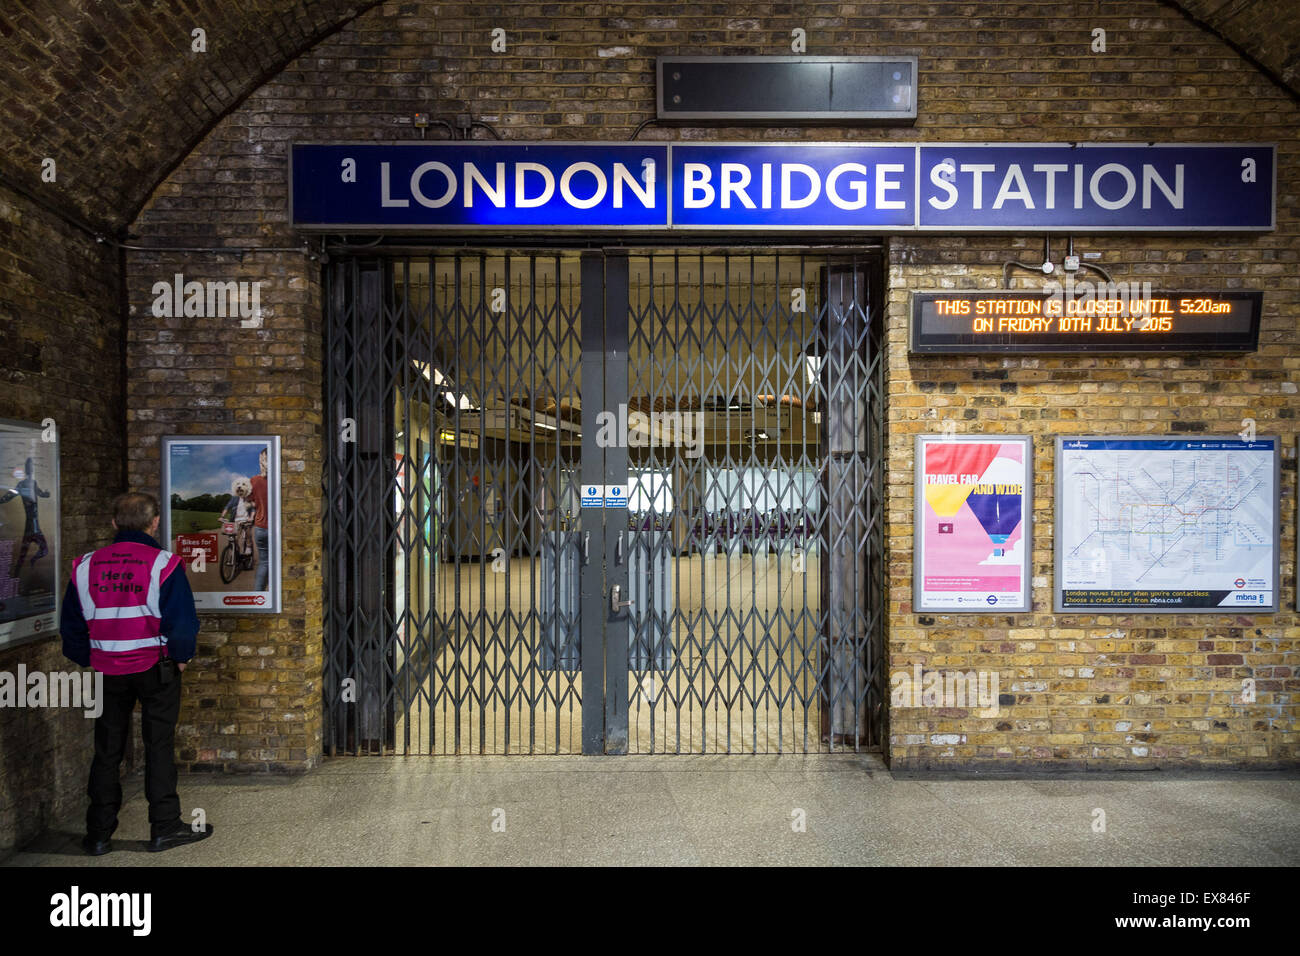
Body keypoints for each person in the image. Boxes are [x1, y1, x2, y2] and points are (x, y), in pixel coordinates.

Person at [60, 491, 214, 855]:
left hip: (106, 670)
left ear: (114, 522)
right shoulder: (164, 564)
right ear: (154, 522)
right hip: (155, 668)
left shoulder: (84, 565)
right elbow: (181, 622)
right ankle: (164, 827)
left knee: (107, 750)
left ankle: (98, 834)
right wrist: (181, 656)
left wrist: (88, 657)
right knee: (158, 745)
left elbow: (71, 626)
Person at [0, 456, 51, 577]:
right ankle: (16, 575)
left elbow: (41, 494)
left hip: (34, 527)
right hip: (31, 527)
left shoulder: (32, 483)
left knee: (39, 552)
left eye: (31, 467)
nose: (30, 469)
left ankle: (27, 566)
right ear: (29, 469)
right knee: (24, 555)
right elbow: (9, 495)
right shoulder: (22, 484)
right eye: (30, 467)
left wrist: (46, 494)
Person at [249, 447, 270, 591]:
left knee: (264, 563)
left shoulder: (254, 481)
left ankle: (259, 596)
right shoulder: (283, 480)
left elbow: (250, 502)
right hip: (279, 528)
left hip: (261, 527)